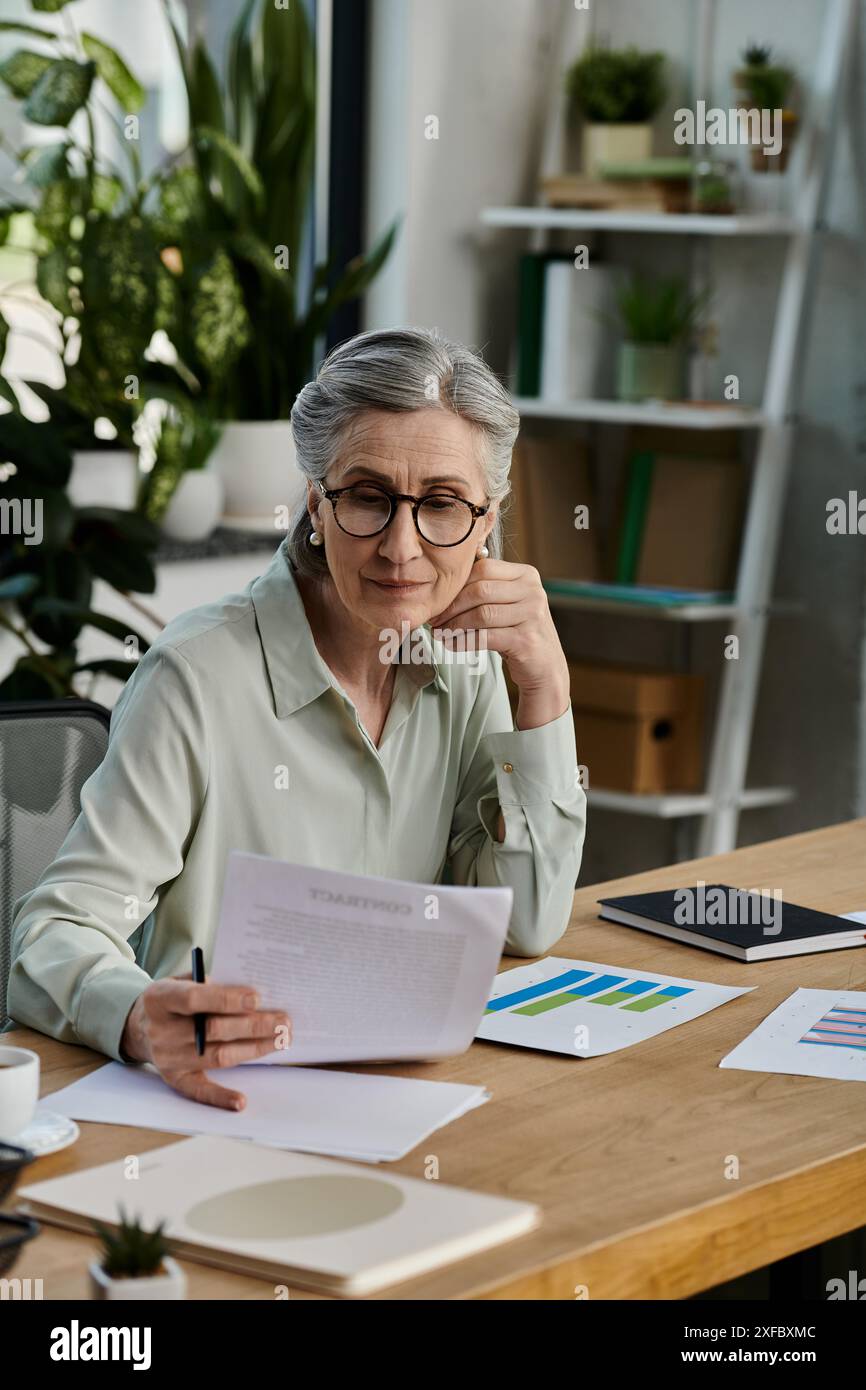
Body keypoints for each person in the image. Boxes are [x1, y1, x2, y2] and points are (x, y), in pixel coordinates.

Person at [9, 327, 586, 1109]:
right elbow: (51, 933)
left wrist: (545, 688)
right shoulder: (199, 676)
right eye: (368, 498)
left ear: (488, 522)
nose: (400, 548)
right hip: (219, 1104)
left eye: (443, 504)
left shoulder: (475, 660)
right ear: (317, 502)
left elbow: (526, 924)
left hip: (398, 1098)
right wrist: (139, 1017)